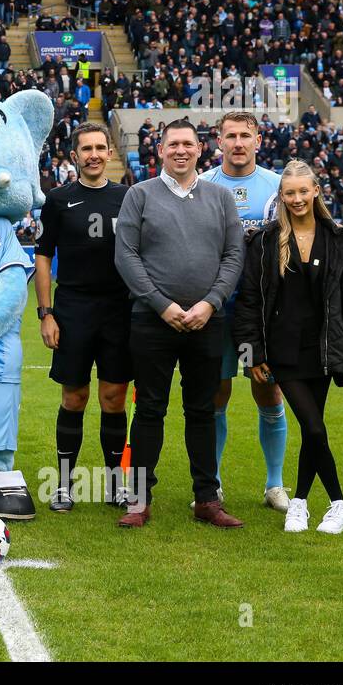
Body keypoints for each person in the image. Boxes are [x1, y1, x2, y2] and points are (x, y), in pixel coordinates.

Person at [113, 119, 245, 528]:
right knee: (149, 409)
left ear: (201, 149)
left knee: (202, 410)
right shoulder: (139, 195)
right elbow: (126, 255)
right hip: (152, 321)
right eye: (174, 145)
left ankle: (207, 499)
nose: (181, 151)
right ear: (161, 150)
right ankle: (139, 500)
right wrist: (159, 304)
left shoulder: (221, 198)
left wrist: (211, 302)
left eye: (188, 144)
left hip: (208, 320)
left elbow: (233, 256)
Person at [234, 161, 343, 535]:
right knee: (311, 424)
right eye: (288, 193)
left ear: (315, 192)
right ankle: (340, 504)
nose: (296, 199)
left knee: (314, 428)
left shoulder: (337, 238)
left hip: (324, 349)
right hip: (282, 351)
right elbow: (248, 302)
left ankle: (300, 503)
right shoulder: (264, 240)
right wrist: (253, 354)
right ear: (281, 196)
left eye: (302, 191)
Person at [34, 123, 131, 511]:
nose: (93, 154)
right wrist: (46, 313)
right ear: (74, 156)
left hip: (119, 311)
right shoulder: (58, 199)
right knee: (74, 396)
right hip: (72, 310)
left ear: (110, 153)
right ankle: (64, 484)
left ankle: (114, 484)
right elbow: (43, 255)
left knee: (113, 397)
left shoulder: (129, 197)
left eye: (100, 147)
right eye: (85, 148)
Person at [200, 112, 289, 511]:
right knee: (216, 393)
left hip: (262, 314)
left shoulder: (277, 186)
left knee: (267, 389)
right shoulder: (202, 185)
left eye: (245, 136)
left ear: (258, 140)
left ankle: (274, 485)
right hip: (216, 309)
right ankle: (213, 484)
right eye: (230, 136)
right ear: (219, 142)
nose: (238, 143)